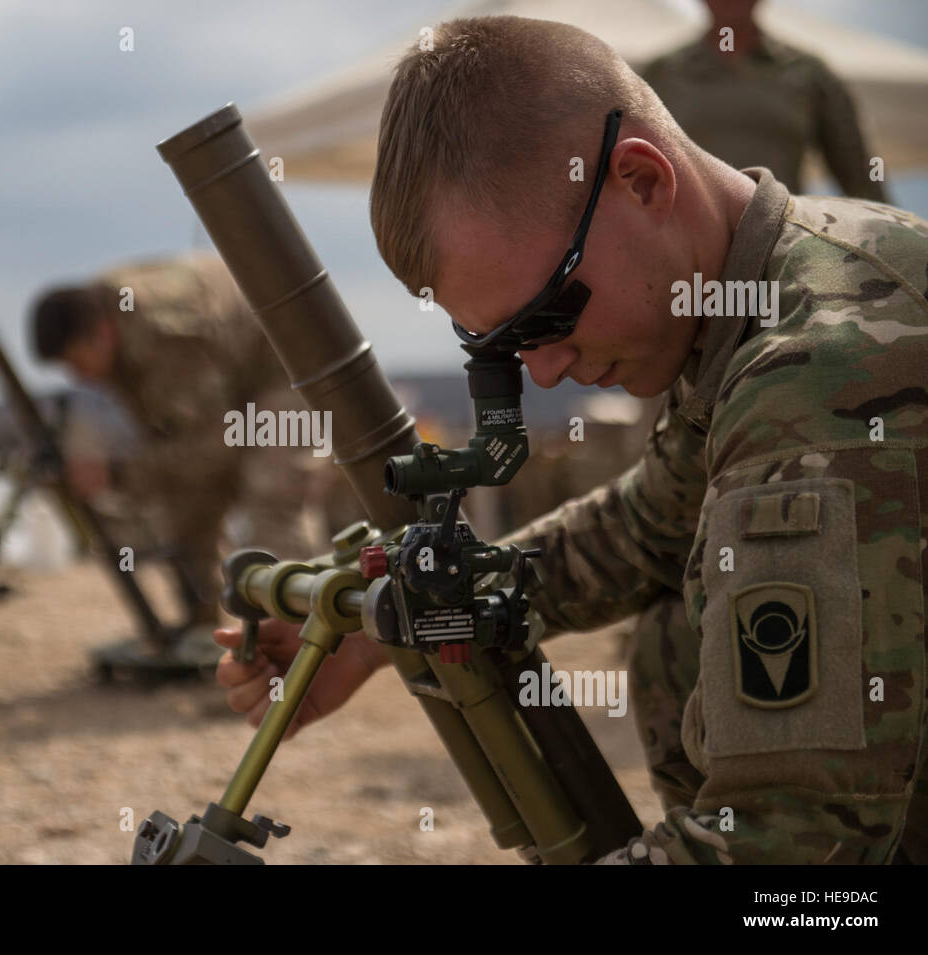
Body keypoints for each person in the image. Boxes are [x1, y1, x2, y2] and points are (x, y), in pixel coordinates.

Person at [215, 15, 927, 864]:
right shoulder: (766, 284)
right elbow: (647, 526)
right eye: (501, 348)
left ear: (640, 180)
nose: (544, 372)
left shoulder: (818, 372)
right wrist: (380, 630)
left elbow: (790, 861)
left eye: (548, 317)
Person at [31, 251, 343, 628]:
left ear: (101, 334)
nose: (78, 379)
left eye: (78, 364)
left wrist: (117, 475)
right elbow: (180, 448)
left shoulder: (164, 335)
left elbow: (212, 451)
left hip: (290, 360)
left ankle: (294, 635)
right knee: (184, 499)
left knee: (273, 496)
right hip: (232, 373)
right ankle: (202, 627)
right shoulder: (108, 321)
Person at [643, 0, 887, 200]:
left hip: (781, 245)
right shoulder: (663, 75)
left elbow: (861, 177)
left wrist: (893, 235)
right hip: (687, 247)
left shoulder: (808, 74)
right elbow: (635, 172)